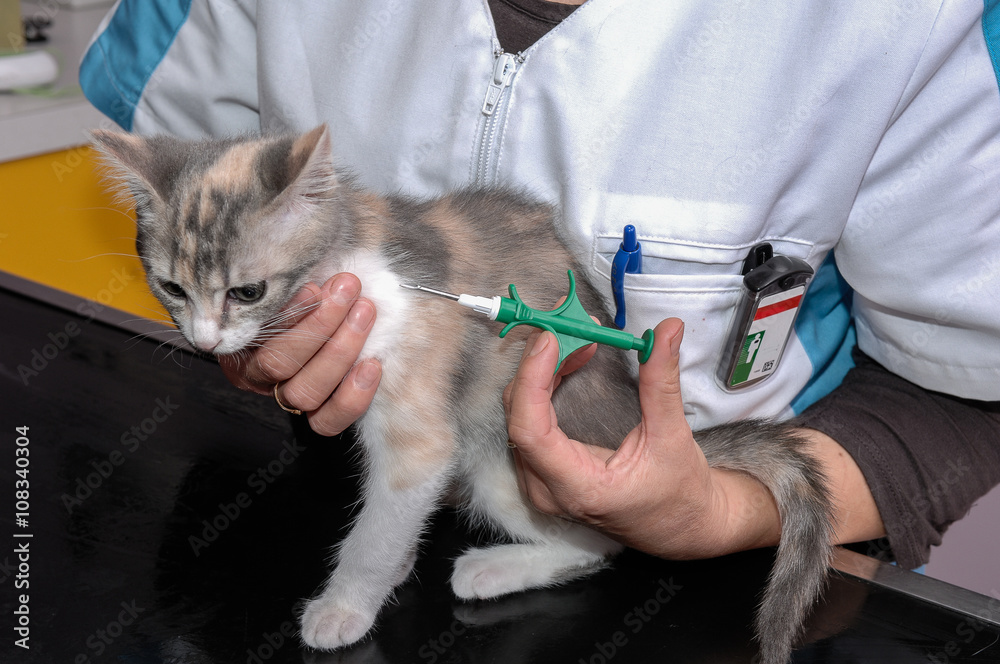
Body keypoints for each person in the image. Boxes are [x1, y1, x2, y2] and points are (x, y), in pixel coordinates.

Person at [81, 0, 1000, 571]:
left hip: (732, 565)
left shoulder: (922, 22)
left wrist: (721, 509)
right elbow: (179, 205)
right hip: (327, 486)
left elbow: (968, 389)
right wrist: (256, 334)